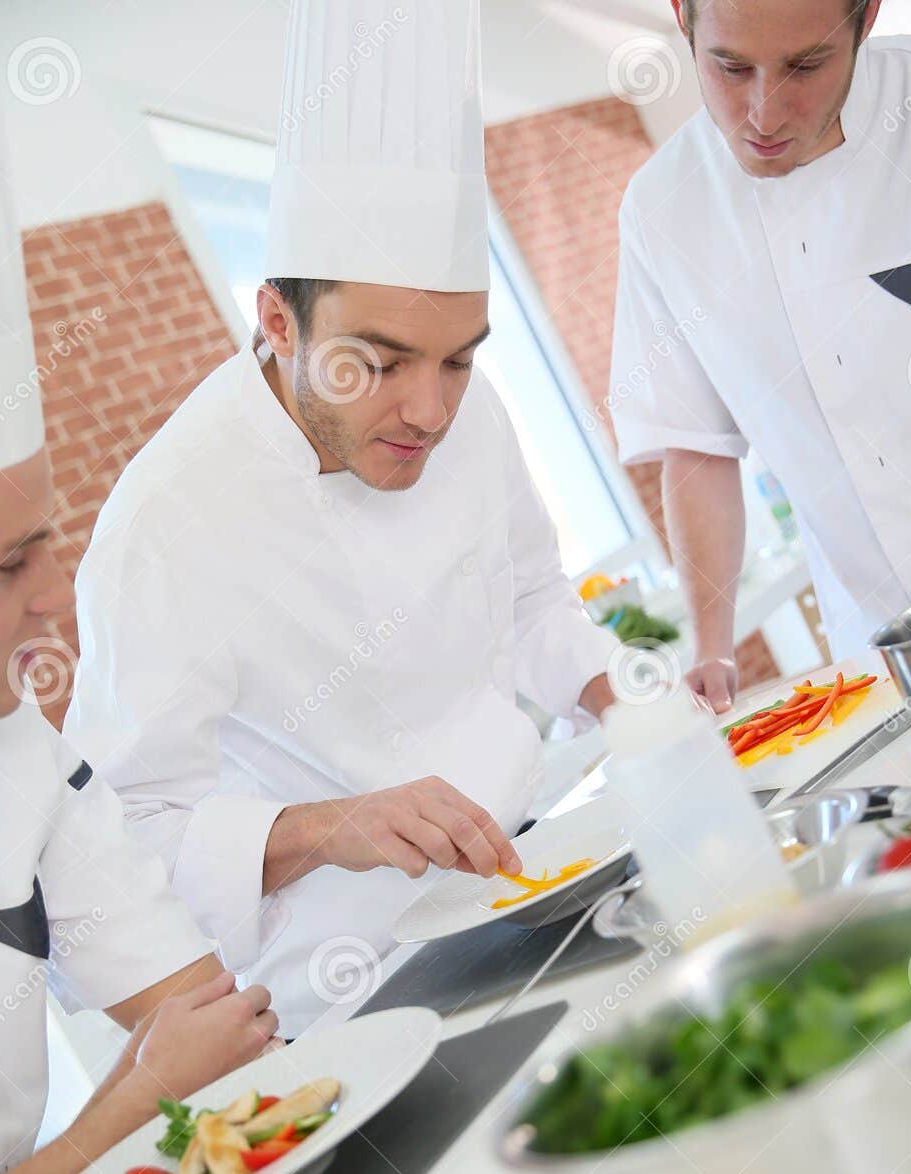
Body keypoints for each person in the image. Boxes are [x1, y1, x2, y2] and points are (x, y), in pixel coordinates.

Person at [65, 0, 619, 1037]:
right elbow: (124, 847)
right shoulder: (167, 523)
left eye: (459, 357)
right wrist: (328, 828)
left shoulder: (465, 405)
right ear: (275, 319)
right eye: (378, 359)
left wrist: (627, 702)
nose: (431, 409)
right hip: (354, 989)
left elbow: (537, 599)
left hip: (529, 865)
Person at [0, 37, 277, 1174]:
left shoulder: (6, 734)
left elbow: (194, 1015)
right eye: (9, 562)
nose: (54, 595)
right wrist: (127, 1111)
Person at [610, 0, 911, 711]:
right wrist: (711, 647)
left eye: (805, 65)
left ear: (865, 18)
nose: (764, 114)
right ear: (682, 17)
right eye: (729, 67)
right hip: (880, 658)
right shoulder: (662, 209)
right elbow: (697, 444)